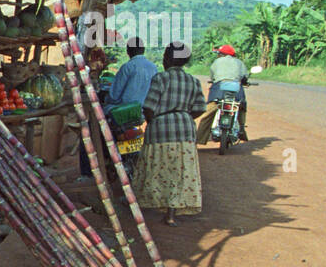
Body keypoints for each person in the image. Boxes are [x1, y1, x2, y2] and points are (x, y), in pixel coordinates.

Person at [135, 41, 207, 225]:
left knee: (159, 169)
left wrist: (154, 121)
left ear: (167, 58)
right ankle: (171, 214)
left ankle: (149, 204)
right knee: (179, 173)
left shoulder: (160, 79)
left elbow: (149, 107)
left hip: (160, 129)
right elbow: (200, 108)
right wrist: (184, 115)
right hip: (185, 130)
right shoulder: (193, 81)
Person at [79, 38, 156, 177]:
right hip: (142, 113)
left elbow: (114, 95)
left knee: (89, 130)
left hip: (122, 113)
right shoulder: (153, 67)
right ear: (143, 50)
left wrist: (106, 98)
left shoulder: (128, 67)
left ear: (128, 51)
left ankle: (87, 173)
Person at [196, 44, 250, 143]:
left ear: (222, 54)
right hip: (236, 89)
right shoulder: (239, 62)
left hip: (218, 89)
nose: (218, 55)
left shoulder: (216, 62)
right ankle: (242, 129)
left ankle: (200, 138)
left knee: (208, 113)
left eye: (219, 53)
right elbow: (244, 77)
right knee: (241, 107)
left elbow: (212, 77)